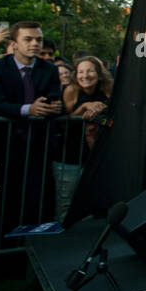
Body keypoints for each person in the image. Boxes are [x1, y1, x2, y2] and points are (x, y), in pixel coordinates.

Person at [0, 22, 64, 232]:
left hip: (38, 147)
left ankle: (35, 243)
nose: (35, 44)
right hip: (1, 149)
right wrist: (29, 110)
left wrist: (55, 107)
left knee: (37, 198)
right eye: (28, 39)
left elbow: (55, 98)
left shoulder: (50, 70)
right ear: (14, 44)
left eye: (39, 40)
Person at [56, 55, 112, 218]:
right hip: (69, 155)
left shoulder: (108, 89)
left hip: (99, 156)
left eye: (90, 71)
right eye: (81, 72)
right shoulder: (71, 90)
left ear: (99, 73)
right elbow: (63, 122)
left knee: (98, 199)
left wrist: (100, 113)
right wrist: (83, 108)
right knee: (65, 200)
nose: (85, 75)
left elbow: (114, 121)